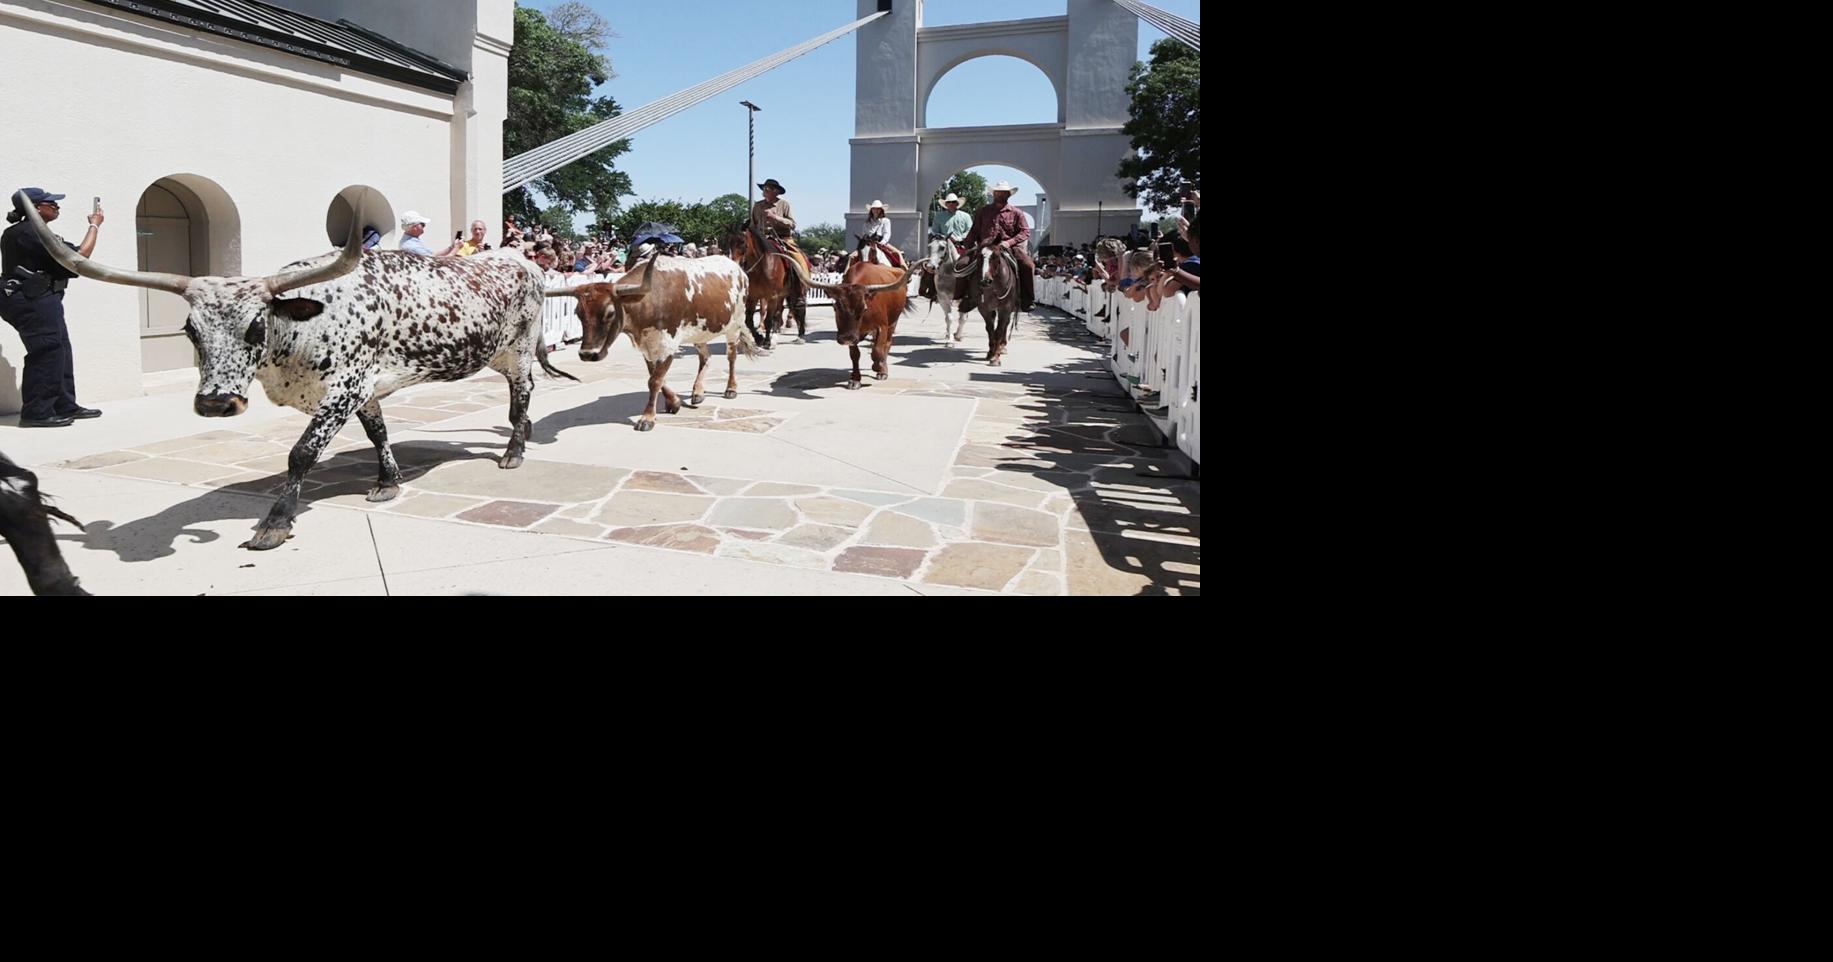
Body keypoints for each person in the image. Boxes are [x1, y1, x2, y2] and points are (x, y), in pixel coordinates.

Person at [2, 188, 104, 426]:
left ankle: (63, 404)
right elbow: (79, 257)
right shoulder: (27, 232)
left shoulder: (38, 232)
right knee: (46, 350)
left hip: (43, 297)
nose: (56, 207)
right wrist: (95, 225)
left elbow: (73, 256)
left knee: (61, 349)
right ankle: (37, 411)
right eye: (51, 203)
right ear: (35, 208)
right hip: (29, 299)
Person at [955, 180, 1034, 311]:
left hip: (1009, 247)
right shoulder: (983, 211)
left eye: (1003, 193)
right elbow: (974, 230)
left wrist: (1009, 242)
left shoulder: (1016, 213)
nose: (1000, 195)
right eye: (997, 192)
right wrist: (967, 246)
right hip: (985, 247)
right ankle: (963, 297)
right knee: (961, 264)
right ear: (993, 194)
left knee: (1028, 265)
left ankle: (1027, 299)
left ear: (1008, 195)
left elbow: (1025, 231)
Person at [749, 177, 810, 309]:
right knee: (745, 256)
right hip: (762, 240)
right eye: (764, 189)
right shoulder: (758, 206)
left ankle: (800, 291)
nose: (764, 191)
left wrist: (775, 217)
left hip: (782, 238)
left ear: (776, 192)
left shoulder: (784, 204)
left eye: (768, 189)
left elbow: (792, 224)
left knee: (798, 258)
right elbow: (753, 225)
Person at [861, 200, 903, 267]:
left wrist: (883, 242)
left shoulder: (885, 221)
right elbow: (864, 234)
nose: (876, 210)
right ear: (871, 210)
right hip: (868, 244)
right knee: (852, 256)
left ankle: (905, 271)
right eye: (874, 208)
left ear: (881, 210)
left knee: (898, 253)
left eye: (878, 209)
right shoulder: (867, 223)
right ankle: (846, 273)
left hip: (881, 243)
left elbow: (887, 233)